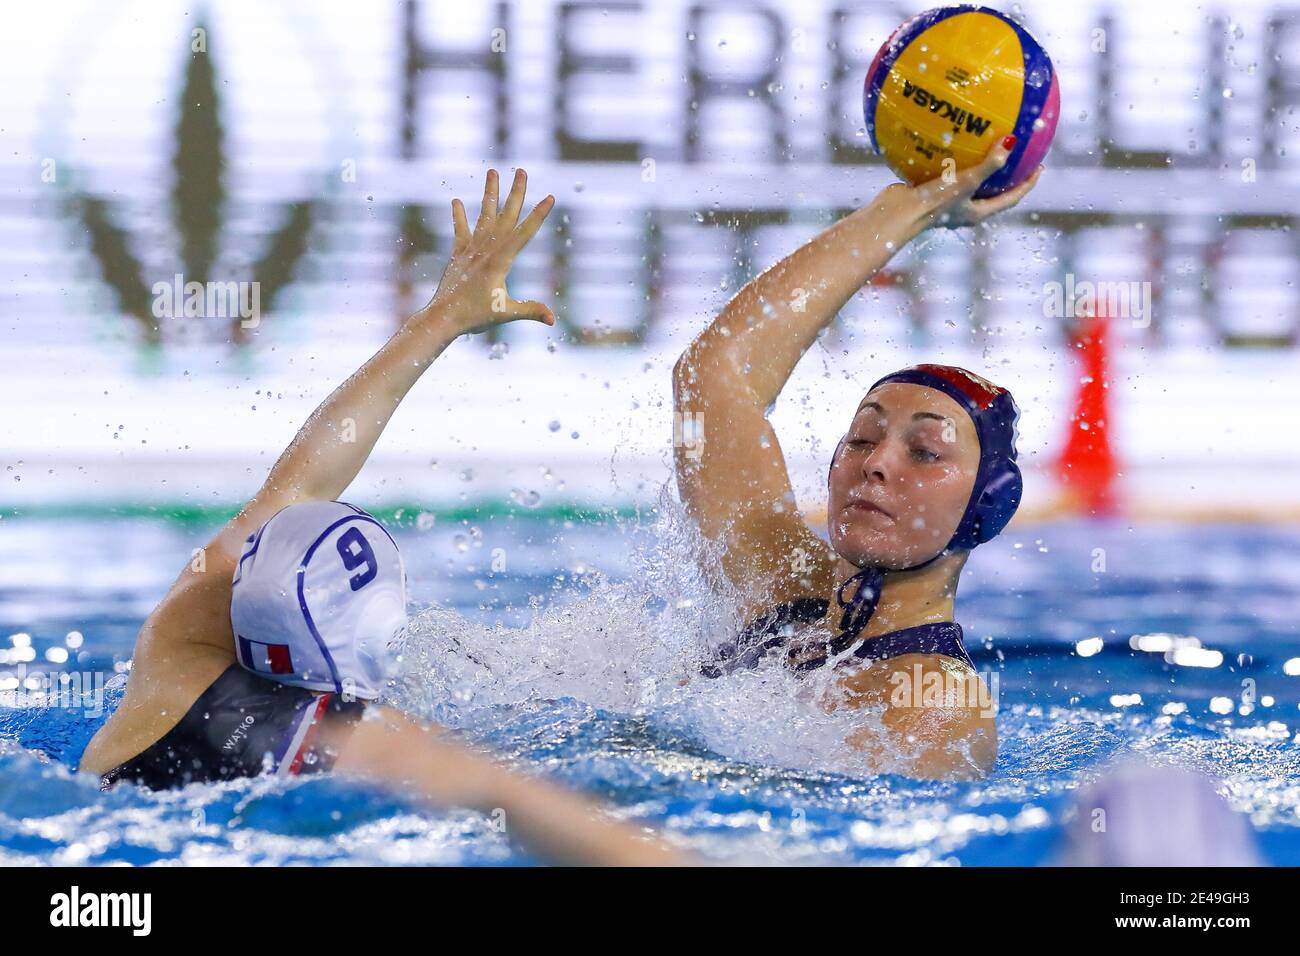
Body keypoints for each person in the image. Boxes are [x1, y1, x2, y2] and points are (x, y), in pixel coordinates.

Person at [79, 169, 687, 866]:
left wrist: (441, 317)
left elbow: (294, 483)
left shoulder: (176, 653)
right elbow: (518, 801)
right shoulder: (357, 738)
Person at [672, 137, 1042, 780]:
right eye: (864, 439)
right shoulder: (781, 579)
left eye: (925, 452)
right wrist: (901, 210)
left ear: (986, 506)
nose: (876, 465)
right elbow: (711, 377)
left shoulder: (936, 708)